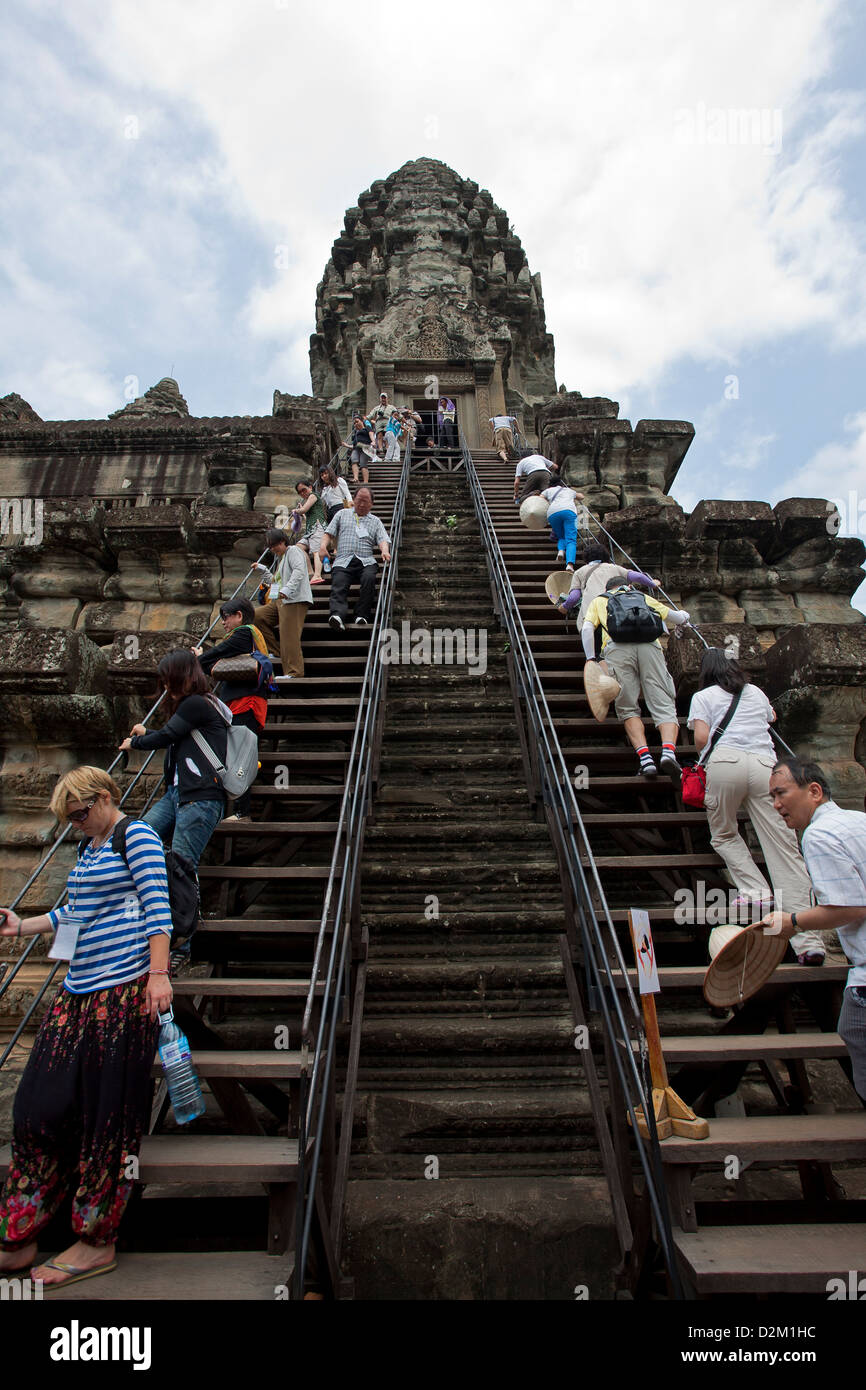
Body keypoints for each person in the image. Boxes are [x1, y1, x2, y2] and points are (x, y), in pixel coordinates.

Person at [0, 767, 172, 1289]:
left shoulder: (134, 835)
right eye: (68, 819)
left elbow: (157, 906)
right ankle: (20, 1233)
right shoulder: (91, 847)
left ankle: (97, 1242)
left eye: (79, 813)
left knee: (108, 1120)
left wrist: (159, 976)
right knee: (37, 1107)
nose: (75, 824)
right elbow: (74, 913)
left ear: (102, 797)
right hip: (78, 991)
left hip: (123, 990)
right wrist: (20, 924)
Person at [687, 650, 825, 964]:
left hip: (725, 763)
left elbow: (700, 739)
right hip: (766, 766)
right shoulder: (755, 692)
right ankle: (809, 942)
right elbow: (771, 717)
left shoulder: (704, 696)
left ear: (706, 672)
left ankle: (755, 890)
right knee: (784, 848)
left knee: (723, 833)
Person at [759, 756, 866, 1100]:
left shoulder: (818, 835)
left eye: (781, 794)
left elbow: (849, 906)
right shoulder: (858, 821)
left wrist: (792, 922)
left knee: (852, 1030)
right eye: (772, 798)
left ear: (814, 791)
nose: (776, 805)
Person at [582, 577, 690, 778]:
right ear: (627, 586)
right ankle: (668, 751)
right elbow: (674, 617)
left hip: (616, 649)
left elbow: (588, 629)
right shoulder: (641, 597)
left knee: (627, 705)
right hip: (650, 646)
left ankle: (645, 758)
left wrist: (591, 659)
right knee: (663, 701)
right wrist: (685, 616)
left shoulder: (599, 600)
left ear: (607, 589)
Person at [194, 598, 272, 822]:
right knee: (237, 753)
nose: (223, 623)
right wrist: (203, 661)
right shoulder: (243, 640)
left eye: (225, 617)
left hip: (246, 702)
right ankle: (238, 809)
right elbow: (214, 667)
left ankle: (242, 811)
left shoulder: (244, 634)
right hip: (239, 702)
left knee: (241, 754)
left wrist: (199, 659)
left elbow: (215, 655)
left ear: (238, 615)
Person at [320, 486, 390, 631]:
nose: (362, 504)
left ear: (372, 504)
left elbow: (383, 539)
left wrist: (384, 551)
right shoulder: (342, 514)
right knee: (339, 581)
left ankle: (362, 615)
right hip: (343, 559)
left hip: (366, 560)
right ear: (354, 500)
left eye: (366, 501)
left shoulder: (375, 521)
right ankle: (337, 615)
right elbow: (328, 533)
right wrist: (322, 547)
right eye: (359, 500)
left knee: (369, 578)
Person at [251, 527, 312, 680]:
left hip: (294, 600)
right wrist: (262, 569)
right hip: (280, 600)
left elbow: (299, 571)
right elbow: (275, 580)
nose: (273, 549)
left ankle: (294, 672)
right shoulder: (282, 558)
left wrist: (287, 590)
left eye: (275, 545)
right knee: (256, 616)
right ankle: (276, 651)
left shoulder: (293, 551)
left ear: (283, 541)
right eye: (270, 547)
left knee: (289, 635)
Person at [557, 541, 660, 626]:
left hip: (592, 614)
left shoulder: (580, 572)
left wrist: (565, 607)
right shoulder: (614, 568)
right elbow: (637, 576)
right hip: (615, 610)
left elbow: (574, 597)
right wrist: (652, 583)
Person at [540, 482, 585, 570]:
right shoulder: (568, 490)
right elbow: (581, 497)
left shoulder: (548, 490)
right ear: (562, 485)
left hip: (552, 513)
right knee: (571, 539)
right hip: (568, 511)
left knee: (561, 536)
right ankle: (570, 564)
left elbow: (540, 499)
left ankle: (561, 551)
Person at [294, 481, 329, 583]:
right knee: (298, 548)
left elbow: (304, 510)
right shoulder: (309, 500)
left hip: (318, 527)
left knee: (316, 551)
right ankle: (310, 571)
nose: (302, 493)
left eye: (303, 490)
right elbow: (307, 514)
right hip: (310, 530)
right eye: (299, 492)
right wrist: (301, 511)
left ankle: (317, 575)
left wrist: (297, 511)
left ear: (310, 487)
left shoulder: (313, 496)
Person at [344, 415, 375, 484]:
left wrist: (373, 441)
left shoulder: (367, 428)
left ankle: (365, 481)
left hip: (365, 448)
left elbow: (371, 434)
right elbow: (354, 445)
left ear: (362, 421)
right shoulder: (356, 433)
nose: (356, 424)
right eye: (354, 423)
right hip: (356, 448)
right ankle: (356, 478)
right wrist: (346, 445)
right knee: (354, 461)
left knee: (363, 463)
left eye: (357, 422)